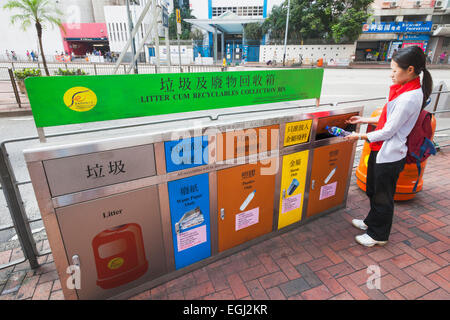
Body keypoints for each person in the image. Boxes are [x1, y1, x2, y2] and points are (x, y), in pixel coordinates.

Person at [344, 46, 433, 247]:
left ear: (410, 70)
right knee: (374, 191)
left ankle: (379, 235)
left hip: (390, 155)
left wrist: (359, 135)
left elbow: (388, 131)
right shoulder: (403, 89)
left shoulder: (409, 97)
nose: (391, 74)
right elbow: (387, 120)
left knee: (383, 196)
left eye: (394, 70)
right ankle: (371, 222)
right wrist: (363, 119)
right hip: (380, 150)